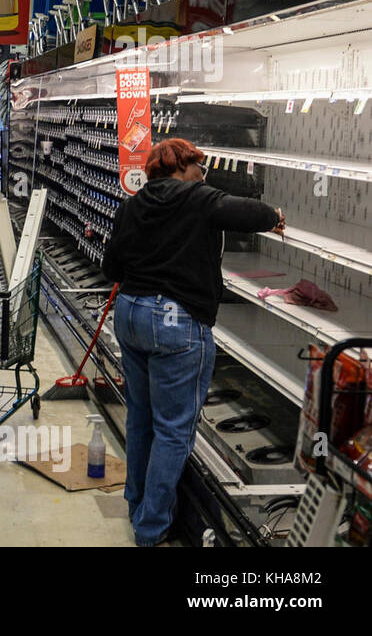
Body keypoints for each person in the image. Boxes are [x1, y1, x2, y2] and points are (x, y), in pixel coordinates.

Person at [101, 138, 285, 547]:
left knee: (141, 420)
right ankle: (152, 530)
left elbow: (111, 265)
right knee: (173, 431)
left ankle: (138, 508)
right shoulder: (198, 197)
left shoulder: (132, 205)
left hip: (131, 314)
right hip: (175, 322)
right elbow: (249, 212)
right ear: (182, 167)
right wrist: (273, 214)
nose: (204, 175)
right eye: (199, 167)